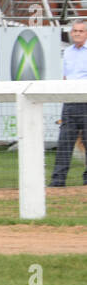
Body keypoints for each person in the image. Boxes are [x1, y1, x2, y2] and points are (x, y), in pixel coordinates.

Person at [49, 19, 87, 187]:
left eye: (81, 31)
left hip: (86, 100)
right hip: (70, 102)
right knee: (65, 141)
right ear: (71, 33)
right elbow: (65, 76)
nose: (77, 34)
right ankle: (58, 180)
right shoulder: (68, 52)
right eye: (75, 31)